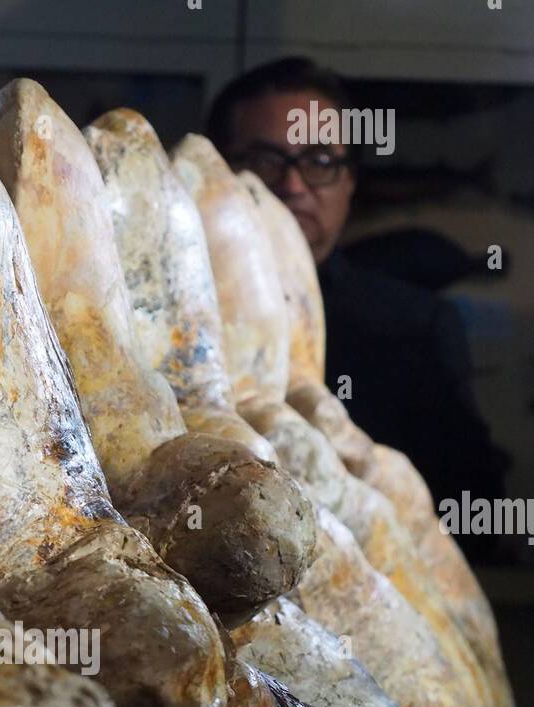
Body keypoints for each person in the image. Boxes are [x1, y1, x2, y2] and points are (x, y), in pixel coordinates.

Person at [206, 56, 510, 559]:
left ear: (349, 183)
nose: (293, 185)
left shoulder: (413, 326)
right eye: (263, 159)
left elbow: (472, 512)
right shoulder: (164, 314)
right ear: (216, 170)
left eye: (320, 162)